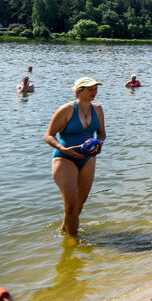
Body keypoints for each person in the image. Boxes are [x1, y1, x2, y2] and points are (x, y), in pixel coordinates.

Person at [43, 77, 106, 237]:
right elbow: (48, 136)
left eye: (95, 89)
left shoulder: (97, 109)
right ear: (79, 91)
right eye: (90, 89)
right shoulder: (66, 110)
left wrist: (100, 143)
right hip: (64, 159)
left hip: (88, 159)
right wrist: (64, 149)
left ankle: (66, 230)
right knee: (71, 205)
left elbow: (102, 132)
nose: (94, 92)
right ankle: (73, 245)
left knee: (79, 205)